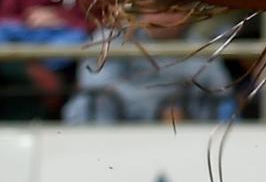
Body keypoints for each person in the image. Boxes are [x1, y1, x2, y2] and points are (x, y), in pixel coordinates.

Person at [63, 12, 234, 124]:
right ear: (140, 8)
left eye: (172, 10)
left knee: (217, 107)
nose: (164, 18)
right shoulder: (111, 38)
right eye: (155, 8)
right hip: (118, 118)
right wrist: (156, 109)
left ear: (188, 12)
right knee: (90, 103)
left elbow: (220, 90)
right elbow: (96, 85)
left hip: (180, 124)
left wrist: (178, 111)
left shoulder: (201, 45)